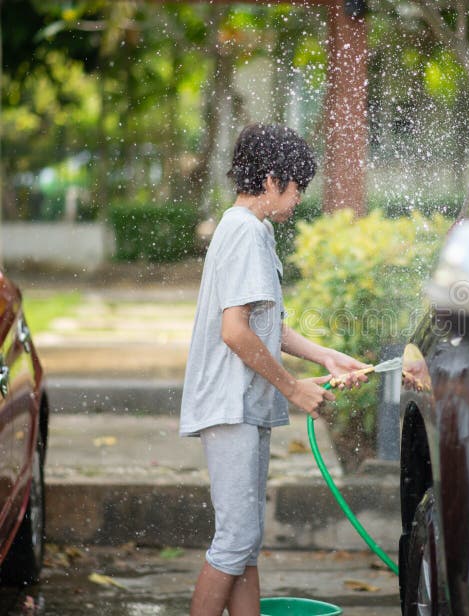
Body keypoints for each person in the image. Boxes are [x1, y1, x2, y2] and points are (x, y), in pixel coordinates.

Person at [180, 123, 368, 616]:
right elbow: (235, 332)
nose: (298, 198)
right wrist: (293, 389)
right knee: (233, 541)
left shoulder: (254, 230)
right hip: (230, 403)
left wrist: (324, 356)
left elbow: (267, 326)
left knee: (245, 543)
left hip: (245, 403)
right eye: (296, 187)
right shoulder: (243, 233)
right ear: (269, 180)